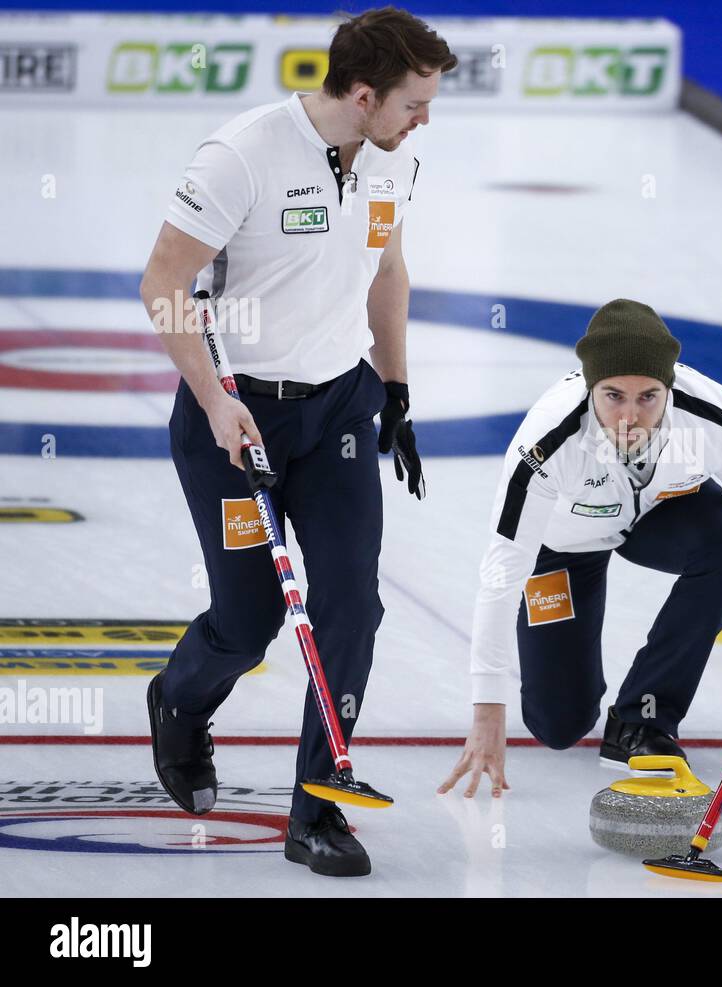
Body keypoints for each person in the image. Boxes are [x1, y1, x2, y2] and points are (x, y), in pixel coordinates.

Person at [138, 7, 456, 877]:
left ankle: (319, 808)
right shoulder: (242, 156)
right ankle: (180, 699)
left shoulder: (398, 158)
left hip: (339, 411)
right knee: (250, 619)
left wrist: (394, 393)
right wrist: (214, 399)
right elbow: (163, 282)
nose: (425, 121)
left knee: (352, 604)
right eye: (413, 104)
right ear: (362, 95)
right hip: (234, 416)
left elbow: (385, 270)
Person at [439, 299, 722, 797]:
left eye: (649, 397)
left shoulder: (708, 415)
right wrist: (486, 710)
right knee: (559, 724)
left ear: (669, 388)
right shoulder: (548, 439)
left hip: (662, 514)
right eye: (614, 396)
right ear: (590, 389)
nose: (630, 417)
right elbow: (502, 574)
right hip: (565, 545)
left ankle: (643, 719)